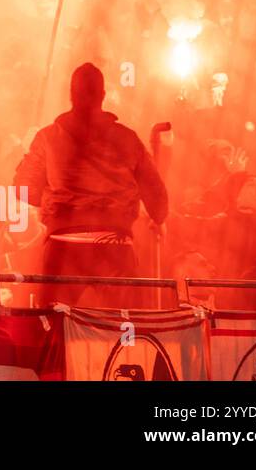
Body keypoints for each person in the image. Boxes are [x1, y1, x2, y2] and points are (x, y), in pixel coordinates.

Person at [14, 63, 168, 308]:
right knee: (125, 332)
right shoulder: (128, 139)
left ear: (70, 94)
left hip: (64, 248)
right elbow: (159, 205)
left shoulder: (47, 137)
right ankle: (127, 346)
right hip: (115, 249)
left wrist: (47, 190)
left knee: (52, 330)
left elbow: (25, 189)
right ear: (103, 96)